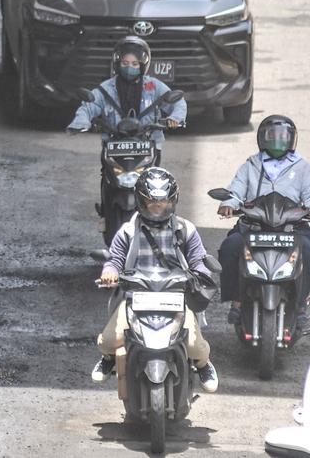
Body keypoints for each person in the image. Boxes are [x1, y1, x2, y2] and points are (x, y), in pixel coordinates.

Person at [92, 168, 219, 393]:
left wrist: (202, 274)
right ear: (141, 201)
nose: (158, 206)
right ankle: (108, 359)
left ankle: (203, 365)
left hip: (176, 296)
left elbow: (198, 259)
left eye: (163, 201)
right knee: (109, 341)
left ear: (173, 200)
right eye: (152, 202)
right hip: (135, 297)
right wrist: (109, 272)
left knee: (195, 346)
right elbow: (115, 259)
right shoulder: (127, 231)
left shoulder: (186, 229)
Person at [216, 115, 310, 329]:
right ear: (263, 138)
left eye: (283, 136)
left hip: (292, 226)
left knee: (307, 252)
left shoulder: (302, 167)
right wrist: (228, 203)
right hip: (254, 224)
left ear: (291, 139)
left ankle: (301, 303)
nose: (278, 140)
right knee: (230, 247)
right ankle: (237, 299)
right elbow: (236, 189)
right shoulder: (251, 165)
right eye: (273, 135)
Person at [66, 36, 187, 151]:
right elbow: (89, 106)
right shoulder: (105, 88)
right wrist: (81, 122)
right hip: (114, 143)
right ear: (117, 64)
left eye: (135, 64)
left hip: (149, 143)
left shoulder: (154, 86)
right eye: (125, 63)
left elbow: (177, 102)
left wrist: (175, 118)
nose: (129, 67)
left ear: (142, 65)